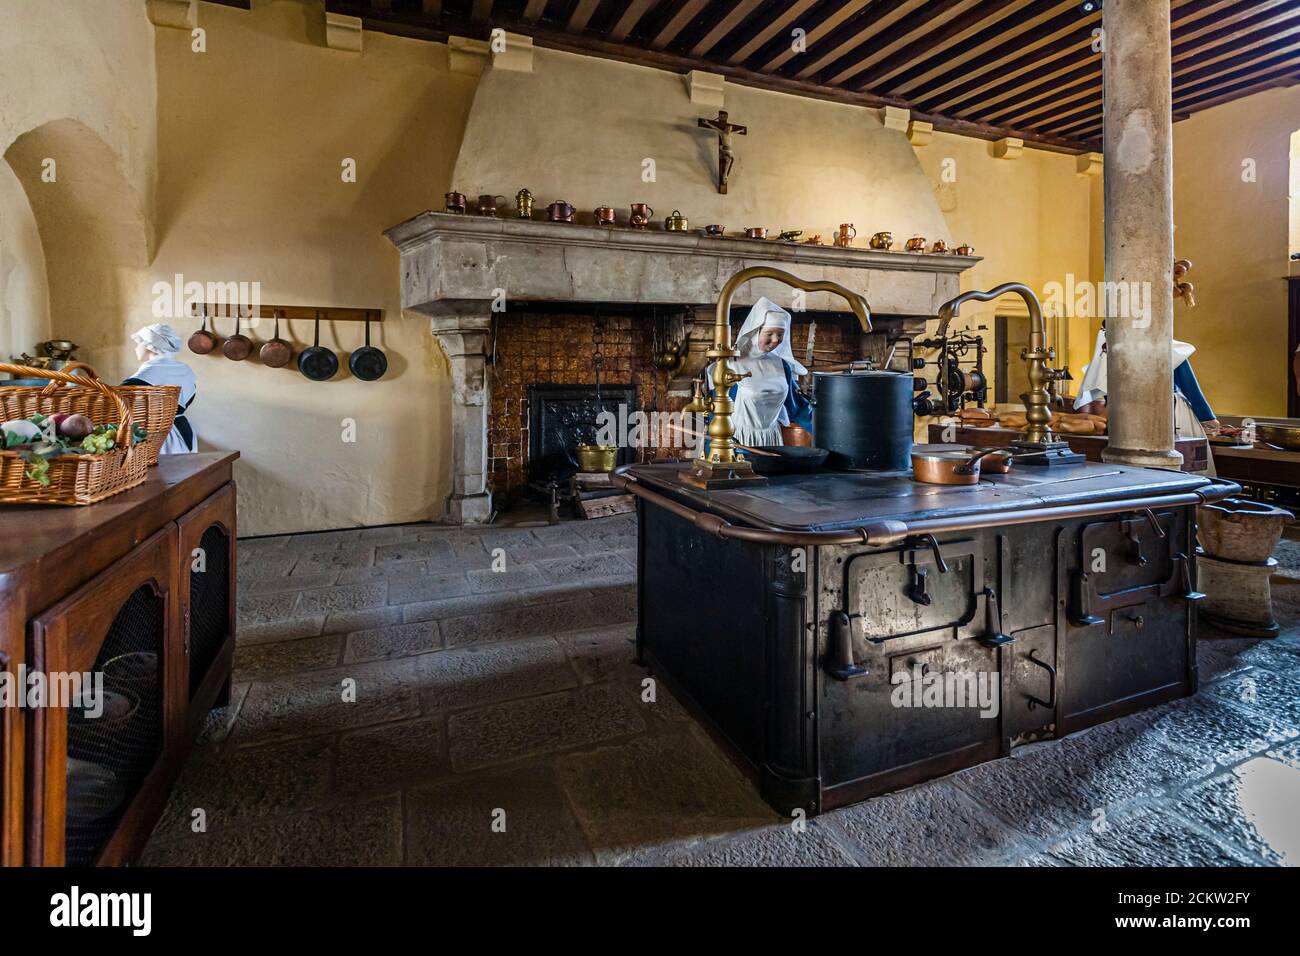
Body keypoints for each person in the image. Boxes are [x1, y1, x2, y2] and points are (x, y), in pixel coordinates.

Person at [706, 296, 812, 447]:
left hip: (772, 440)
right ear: (755, 332)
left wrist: (827, 429)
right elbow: (718, 413)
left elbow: (797, 406)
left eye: (780, 334)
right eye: (769, 334)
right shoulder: (732, 365)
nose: (775, 340)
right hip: (737, 441)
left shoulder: (782, 365)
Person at [123, 323, 197, 454]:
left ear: (150, 346)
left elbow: (118, 402)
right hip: (183, 430)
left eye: (139, 343)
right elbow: (189, 399)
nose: (135, 348)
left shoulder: (149, 372)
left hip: (159, 436)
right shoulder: (185, 369)